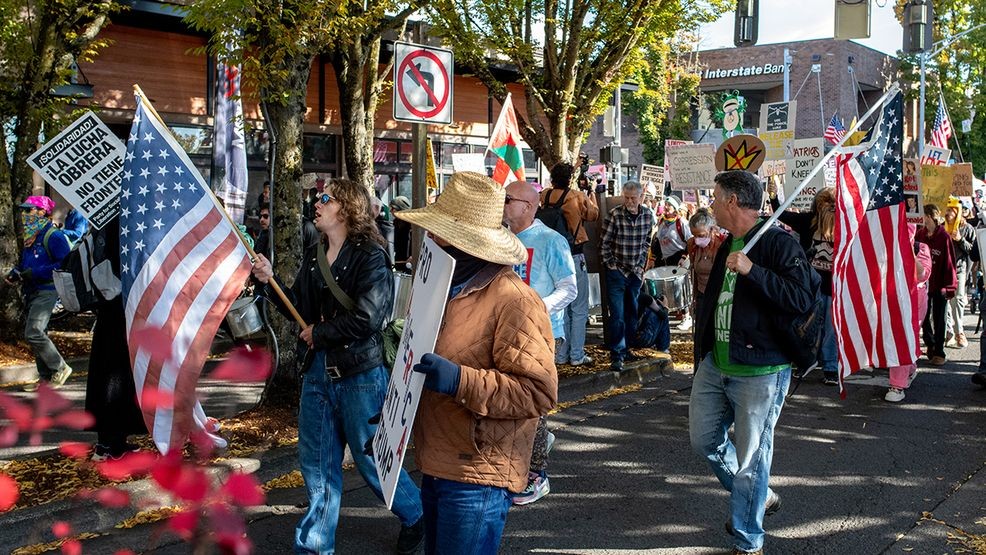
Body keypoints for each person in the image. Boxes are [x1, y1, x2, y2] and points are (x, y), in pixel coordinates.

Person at [251, 178, 424, 555]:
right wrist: (269, 281)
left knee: (371, 462)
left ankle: (417, 513)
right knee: (316, 465)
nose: (317, 203)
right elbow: (300, 309)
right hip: (317, 375)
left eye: (325, 198)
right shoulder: (315, 255)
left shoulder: (370, 255)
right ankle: (314, 546)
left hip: (359, 375)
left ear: (346, 208)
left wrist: (321, 333)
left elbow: (369, 318)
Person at [394, 171, 557, 554]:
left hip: (477, 472)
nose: (431, 237)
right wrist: (394, 413)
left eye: (439, 230)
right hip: (440, 460)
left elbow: (538, 392)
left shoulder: (515, 300)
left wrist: (459, 381)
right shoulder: (444, 288)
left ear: (464, 241)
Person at [690, 170, 816, 555]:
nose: (710, 205)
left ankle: (748, 540)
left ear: (731, 202)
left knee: (750, 461)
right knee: (704, 439)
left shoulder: (778, 243)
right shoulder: (728, 241)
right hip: (717, 364)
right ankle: (759, 495)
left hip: (760, 369)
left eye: (715, 198)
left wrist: (753, 271)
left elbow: (801, 299)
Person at [503, 180, 576, 506]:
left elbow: (569, 289)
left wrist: (536, 306)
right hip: (506, 333)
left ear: (529, 206)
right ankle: (535, 445)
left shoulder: (551, 241)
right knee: (514, 403)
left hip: (543, 333)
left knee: (531, 404)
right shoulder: (502, 238)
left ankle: (537, 477)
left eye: (508, 200)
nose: (502, 204)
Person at [84, 217, 147, 460]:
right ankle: (112, 444)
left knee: (111, 371)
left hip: (110, 304)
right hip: (120, 305)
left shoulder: (103, 222)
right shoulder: (121, 223)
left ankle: (111, 441)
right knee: (117, 374)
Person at [767, 186, 839, 384]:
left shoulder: (844, 224)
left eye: (833, 204)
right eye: (826, 203)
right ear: (817, 206)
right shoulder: (808, 221)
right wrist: (773, 196)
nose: (830, 208)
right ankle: (807, 360)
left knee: (831, 328)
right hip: (811, 286)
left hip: (834, 287)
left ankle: (831, 366)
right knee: (808, 326)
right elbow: (783, 214)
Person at [7, 196, 73, 392]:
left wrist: (35, 272)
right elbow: (27, 263)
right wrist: (17, 272)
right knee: (39, 332)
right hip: (32, 290)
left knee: (33, 332)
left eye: (30, 210)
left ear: (43, 212)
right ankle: (46, 378)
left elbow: (65, 262)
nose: (26, 215)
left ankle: (60, 367)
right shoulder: (32, 235)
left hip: (47, 289)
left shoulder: (54, 236)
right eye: (25, 210)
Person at [540, 162, 599, 367]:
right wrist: (590, 192)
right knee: (579, 307)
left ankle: (561, 354)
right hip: (573, 254)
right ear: (570, 179)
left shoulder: (545, 196)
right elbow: (593, 215)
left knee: (561, 307)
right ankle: (576, 355)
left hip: (550, 255)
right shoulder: (576, 196)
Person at [600, 181, 655, 371]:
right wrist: (612, 266)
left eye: (633, 198)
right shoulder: (614, 215)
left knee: (632, 313)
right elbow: (604, 243)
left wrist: (641, 267)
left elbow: (647, 243)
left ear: (641, 198)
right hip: (617, 272)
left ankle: (627, 348)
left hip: (635, 273)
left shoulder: (648, 216)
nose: (629, 201)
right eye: (627, 197)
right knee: (617, 314)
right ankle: (617, 354)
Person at [886, 240, 932, 403]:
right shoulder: (886, 241)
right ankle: (910, 368)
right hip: (890, 298)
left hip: (914, 300)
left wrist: (909, 253)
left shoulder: (921, 248)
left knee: (903, 338)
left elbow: (923, 274)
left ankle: (897, 385)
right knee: (898, 338)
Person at [684, 208, 726, 368]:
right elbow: (694, 272)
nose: (697, 239)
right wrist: (694, 298)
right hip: (702, 294)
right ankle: (699, 371)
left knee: (717, 334)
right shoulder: (692, 245)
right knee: (700, 337)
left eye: (701, 235)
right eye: (694, 235)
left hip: (720, 295)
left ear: (712, 230)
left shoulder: (722, 244)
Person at [916, 204, 957, 366]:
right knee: (924, 317)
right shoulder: (920, 235)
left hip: (940, 283)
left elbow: (949, 263)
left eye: (926, 216)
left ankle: (939, 350)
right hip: (923, 284)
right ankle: (930, 343)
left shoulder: (944, 237)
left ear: (932, 216)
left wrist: (950, 286)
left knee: (940, 317)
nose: (924, 219)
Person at [943, 196, 975, 348]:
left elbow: (973, 251)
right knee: (945, 300)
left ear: (958, 212)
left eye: (951, 210)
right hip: (944, 268)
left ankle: (959, 332)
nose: (948, 213)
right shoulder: (941, 227)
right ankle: (948, 330)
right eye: (947, 210)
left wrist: (960, 239)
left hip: (960, 269)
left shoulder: (967, 228)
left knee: (958, 299)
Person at [390, 195, 413, 266]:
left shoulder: (412, 224)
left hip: (410, 263)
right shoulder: (395, 223)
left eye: (393, 208)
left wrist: (413, 255)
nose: (390, 211)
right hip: (399, 261)